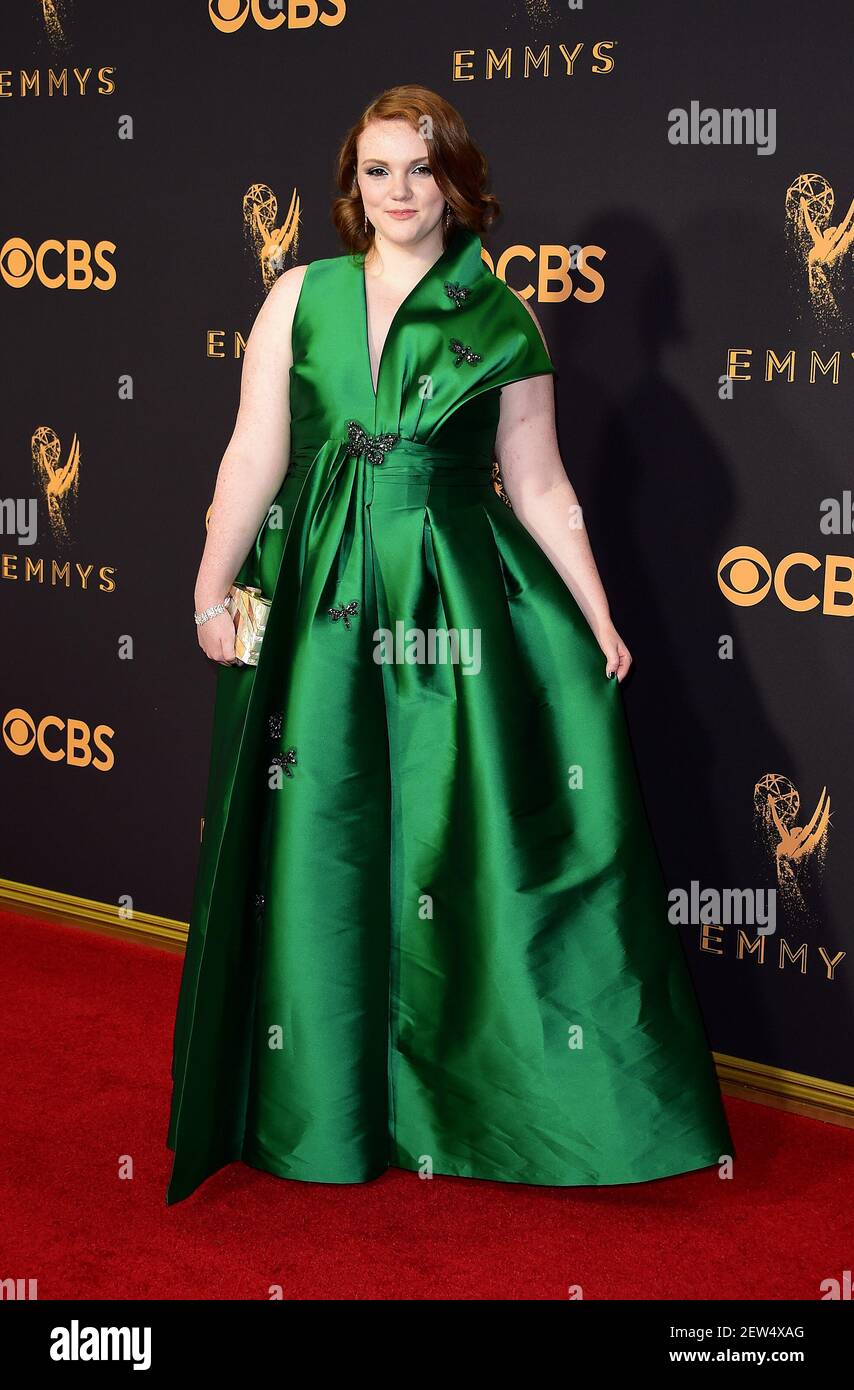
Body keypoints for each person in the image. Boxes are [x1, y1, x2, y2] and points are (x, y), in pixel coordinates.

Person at [165, 84, 733, 1206]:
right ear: (352, 185)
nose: (398, 192)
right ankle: (315, 1110)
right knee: (320, 837)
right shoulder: (300, 296)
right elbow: (254, 452)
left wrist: (597, 610)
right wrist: (208, 588)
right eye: (376, 171)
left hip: (452, 605)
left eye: (419, 170)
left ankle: (466, 1102)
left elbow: (540, 484)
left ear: (456, 179)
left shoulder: (504, 319)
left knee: (444, 843)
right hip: (318, 594)